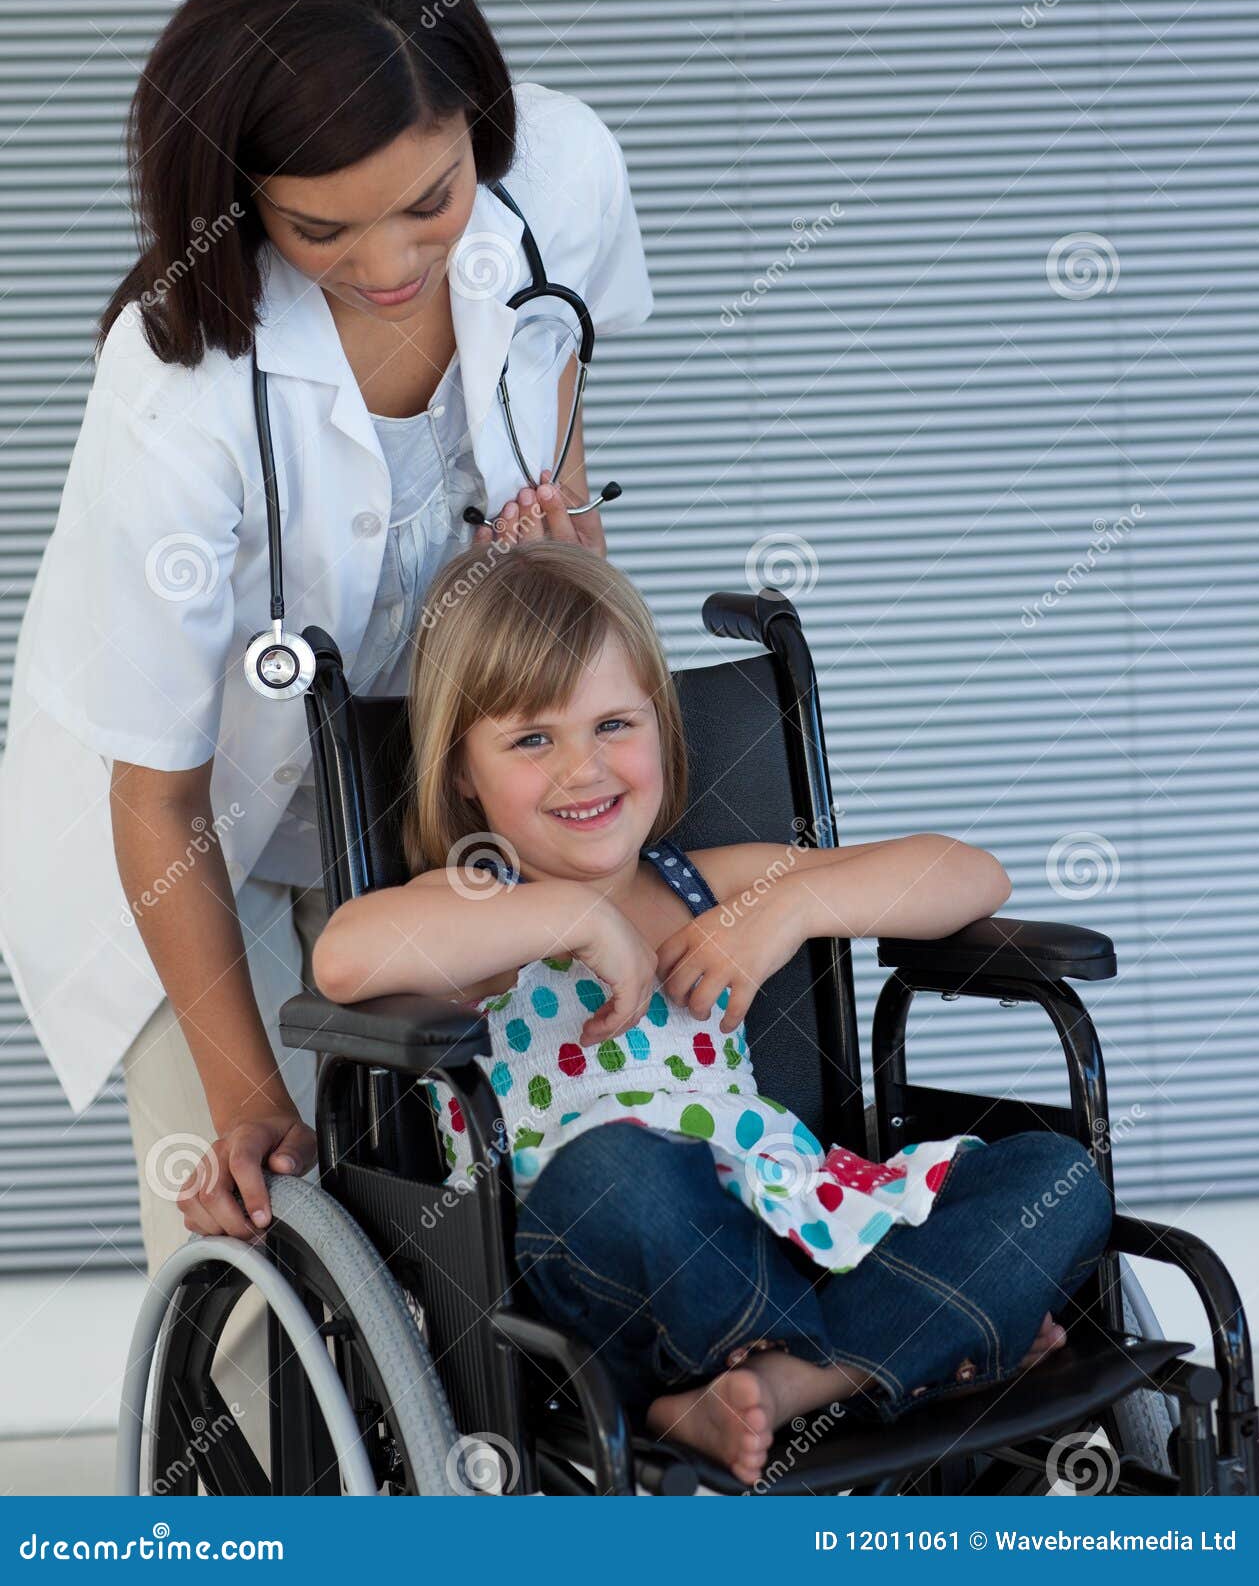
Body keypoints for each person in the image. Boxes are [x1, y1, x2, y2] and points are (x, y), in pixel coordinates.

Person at [0, 0, 652, 1468]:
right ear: (238, 204)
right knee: (256, 1242)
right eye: (318, 231)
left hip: (415, 773)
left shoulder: (558, 172)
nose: (388, 263)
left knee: (468, 1206)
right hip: (184, 824)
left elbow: (557, 411)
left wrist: (551, 561)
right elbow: (153, 789)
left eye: (429, 202)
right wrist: (245, 1102)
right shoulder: (176, 378)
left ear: (478, 127)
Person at [311, 539, 1115, 1486]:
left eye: (613, 723)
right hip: (605, 1269)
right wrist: (570, 917)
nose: (584, 768)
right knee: (624, 1172)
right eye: (533, 739)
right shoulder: (470, 901)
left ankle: (787, 1387)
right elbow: (342, 957)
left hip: (787, 1223)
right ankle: (921, 1337)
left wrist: (791, 907)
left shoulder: (707, 888)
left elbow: (971, 873)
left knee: (1054, 1180)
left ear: (660, 724)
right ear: (460, 774)